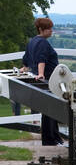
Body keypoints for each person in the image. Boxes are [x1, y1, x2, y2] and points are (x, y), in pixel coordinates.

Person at [23, 17, 62, 146]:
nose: (51, 31)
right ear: (41, 29)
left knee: (50, 109)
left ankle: (55, 137)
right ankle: (50, 139)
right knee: (50, 109)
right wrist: (40, 74)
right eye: (48, 29)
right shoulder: (43, 43)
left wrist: (24, 69)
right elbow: (41, 59)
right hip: (48, 79)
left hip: (41, 79)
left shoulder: (32, 41)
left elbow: (26, 59)